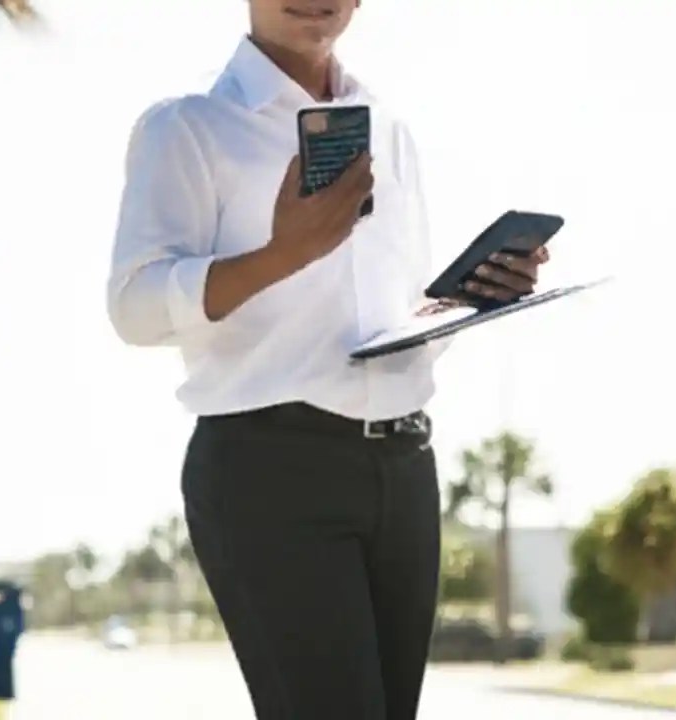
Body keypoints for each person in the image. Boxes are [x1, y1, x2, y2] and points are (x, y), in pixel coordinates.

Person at [105, 1, 549, 718]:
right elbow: (133, 307)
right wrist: (283, 254)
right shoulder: (187, 127)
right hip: (270, 471)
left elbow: (392, 315)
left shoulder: (388, 128)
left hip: (405, 467)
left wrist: (473, 297)